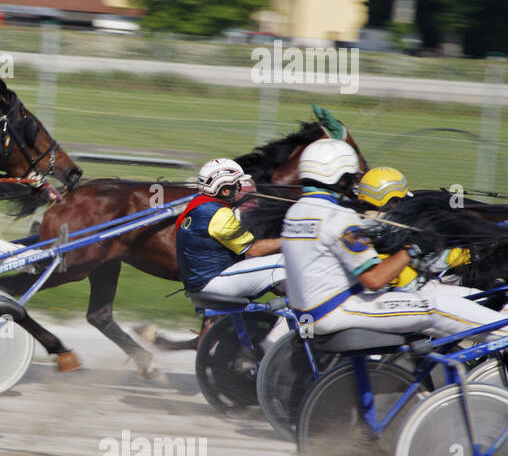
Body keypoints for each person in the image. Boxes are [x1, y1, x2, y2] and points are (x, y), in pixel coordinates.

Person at [280, 139, 505, 338]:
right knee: (436, 306)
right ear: (341, 179)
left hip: (309, 313)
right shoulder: (339, 218)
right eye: (349, 178)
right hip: (338, 310)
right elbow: (375, 280)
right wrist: (413, 248)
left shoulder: (295, 212)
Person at [176, 157, 284, 300]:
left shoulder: (198, 205)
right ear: (226, 190)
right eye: (238, 185)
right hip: (215, 283)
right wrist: (290, 239)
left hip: (201, 282)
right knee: (285, 262)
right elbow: (253, 250)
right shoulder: (219, 214)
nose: (242, 190)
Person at [356, 166, 470, 291]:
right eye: (402, 199)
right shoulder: (395, 231)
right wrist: (468, 253)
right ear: (394, 201)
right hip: (413, 291)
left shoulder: (355, 225)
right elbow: (434, 262)